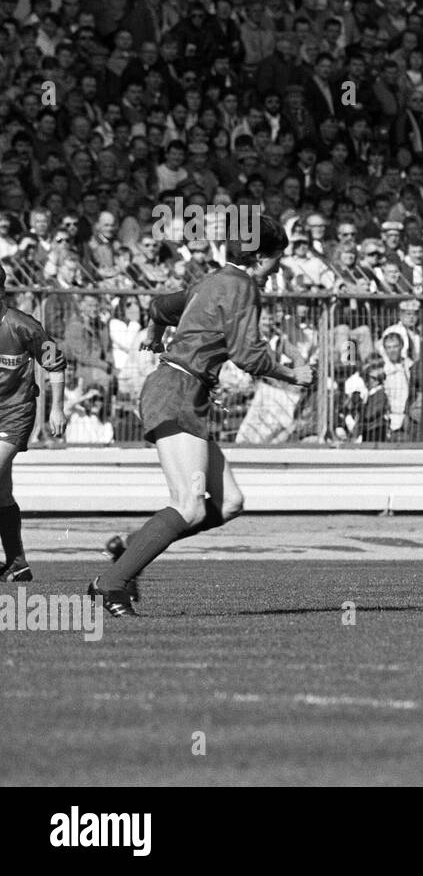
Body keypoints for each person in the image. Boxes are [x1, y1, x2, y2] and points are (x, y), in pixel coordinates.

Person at [88, 216, 313, 617]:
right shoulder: (243, 287)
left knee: (229, 504)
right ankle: (111, 584)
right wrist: (293, 374)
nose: (278, 268)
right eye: (277, 259)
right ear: (260, 256)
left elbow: (160, 306)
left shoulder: (212, 280)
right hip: (177, 392)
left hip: (184, 391)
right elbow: (248, 356)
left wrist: (156, 335)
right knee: (189, 505)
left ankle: (131, 548)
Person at [0, 265, 67, 582]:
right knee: (1, 492)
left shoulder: (22, 325)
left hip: (16, 412)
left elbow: (55, 365)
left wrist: (57, 409)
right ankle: (17, 564)